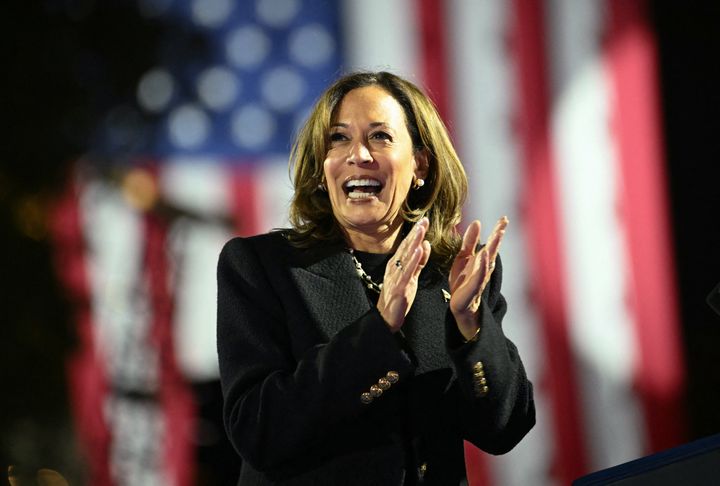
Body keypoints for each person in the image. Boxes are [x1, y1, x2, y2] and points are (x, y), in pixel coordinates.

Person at [217, 71, 535, 485]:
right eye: (338, 138)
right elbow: (258, 431)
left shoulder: (456, 273)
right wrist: (378, 333)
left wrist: (472, 329)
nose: (358, 155)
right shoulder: (263, 267)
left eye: (381, 137)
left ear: (420, 162)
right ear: (321, 168)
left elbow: (505, 429)